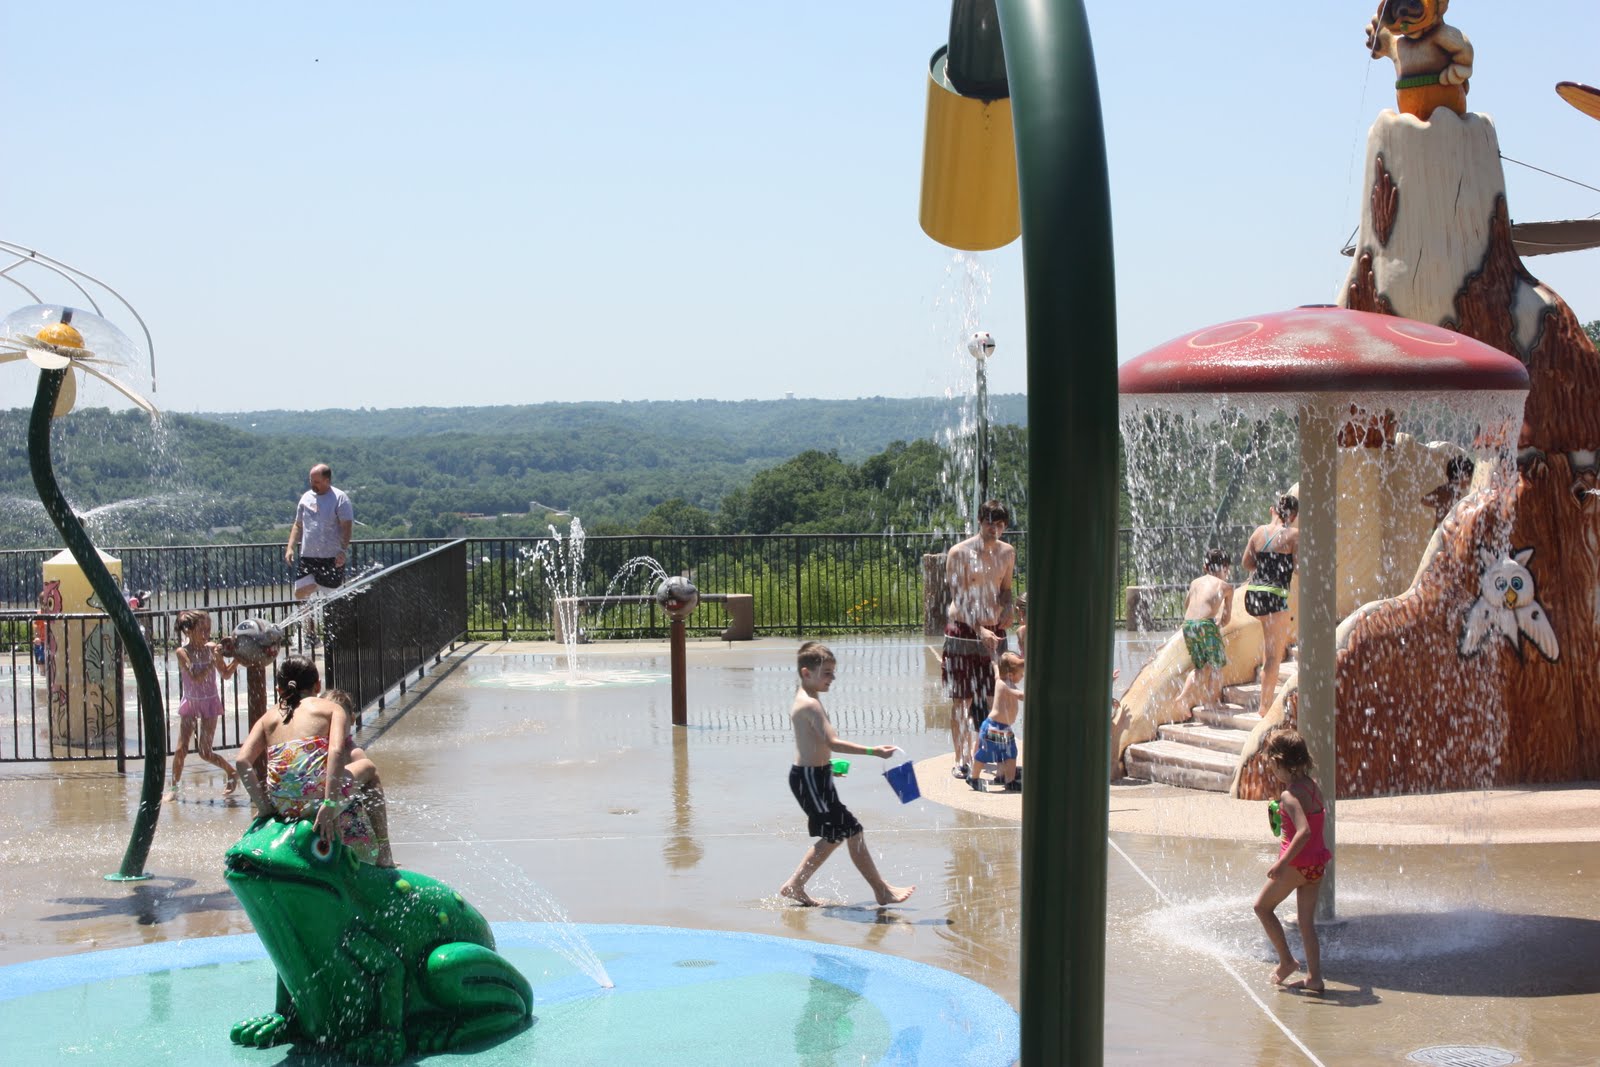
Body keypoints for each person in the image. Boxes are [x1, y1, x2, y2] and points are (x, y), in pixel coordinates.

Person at [778, 641, 915, 908]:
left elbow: (813, 743)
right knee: (850, 830)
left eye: (833, 672)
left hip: (815, 776)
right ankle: (881, 891)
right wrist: (873, 751)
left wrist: (827, 766)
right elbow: (832, 742)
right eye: (826, 672)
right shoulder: (811, 705)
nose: (832, 678)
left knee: (838, 834)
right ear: (807, 673)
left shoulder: (807, 698)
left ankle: (795, 885)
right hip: (810, 779)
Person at [235, 656, 395, 867]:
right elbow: (336, 751)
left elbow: (241, 761)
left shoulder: (268, 717)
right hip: (317, 800)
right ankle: (385, 853)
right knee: (369, 770)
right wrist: (328, 804)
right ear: (318, 685)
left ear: (279, 689)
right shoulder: (330, 708)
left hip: (282, 805)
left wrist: (264, 806)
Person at [1253, 729, 1331, 996]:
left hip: (1296, 866)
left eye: (1272, 766)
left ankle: (1287, 961)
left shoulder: (1290, 795)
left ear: (1280, 762)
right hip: (1316, 865)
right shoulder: (1312, 786)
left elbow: (1304, 831)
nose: (1272, 771)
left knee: (1262, 908)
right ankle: (1314, 978)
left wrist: (1282, 863)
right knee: (1306, 924)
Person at [941, 499, 1016, 779]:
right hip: (963, 629)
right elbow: (958, 597)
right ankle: (959, 758)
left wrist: (1007, 607)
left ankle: (988, 753)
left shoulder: (1007, 553)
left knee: (994, 697)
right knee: (962, 699)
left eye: (999, 524)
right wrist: (979, 629)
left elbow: (1006, 589)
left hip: (995, 631)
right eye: (989, 523)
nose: (994, 529)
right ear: (979, 522)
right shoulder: (959, 553)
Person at [164, 610, 238, 800]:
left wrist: (238, 658)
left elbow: (226, 674)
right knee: (181, 748)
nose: (206, 633)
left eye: (209, 629)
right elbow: (196, 678)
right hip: (190, 703)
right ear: (188, 631)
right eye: (202, 629)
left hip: (210, 702)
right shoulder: (183, 652)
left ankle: (231, 772)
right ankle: (173, 789)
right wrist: (212, 661)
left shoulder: (211, 648)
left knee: (205, 752)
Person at [1241, 495, 1299, 718]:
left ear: (1272, 510)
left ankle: (1265, 699)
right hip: (1274, 597)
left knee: (1269, 649)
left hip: (1253, 596)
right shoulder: (1293, 535)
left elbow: (1247, 563)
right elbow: (1299, 567)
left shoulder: (1259, 532)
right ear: (1293, 516)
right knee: (1275, 655)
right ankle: (1264, 707)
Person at [284, 462, 354, 612]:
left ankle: (335, 629)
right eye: (311, 480)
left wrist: (343, 550)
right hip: (308, 555)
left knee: (332, 598)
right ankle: (308, 629)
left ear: (327, 481)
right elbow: (298, 525)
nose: (312, 484)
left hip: (331, 557)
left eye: (316, 482)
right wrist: (290, 548)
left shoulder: (340, 498)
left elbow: (346, 527)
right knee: (300, 593)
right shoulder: (305, 498)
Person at [1174, 549, 1234, 717]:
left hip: (1188, 625)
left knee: (1200, 667)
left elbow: (1187, 605)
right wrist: (1217, 624)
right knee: (1217, 666)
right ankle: (1211, 702)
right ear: (1226, 567)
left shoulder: (1195, 583)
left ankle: (1183, 697)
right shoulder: (1225, 587)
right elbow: (1226, 618)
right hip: (1206, 625)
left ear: (1205, 567)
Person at [969, 651, 1025, 792]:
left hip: (1004, 728)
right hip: (994, 727)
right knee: (984, 755)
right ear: (1011, 675)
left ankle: (1009, 780)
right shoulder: (1004, 684)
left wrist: (994, 659)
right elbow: (1019, 695)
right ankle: (973, 778)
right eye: (1021, 674)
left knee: (1011, 753)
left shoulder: (1003, 679)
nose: (1023, 677)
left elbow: (996, 668)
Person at [1421, 455, 1475, 527]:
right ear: (1463, 475)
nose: (1470, 479)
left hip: (1442, 529)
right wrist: (1443, 502)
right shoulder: (1446, 490)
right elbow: (1424, 500)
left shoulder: (1452, 490)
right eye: (1470, 475)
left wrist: (1441, 503)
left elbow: (1424, 500)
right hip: (1441, 531)